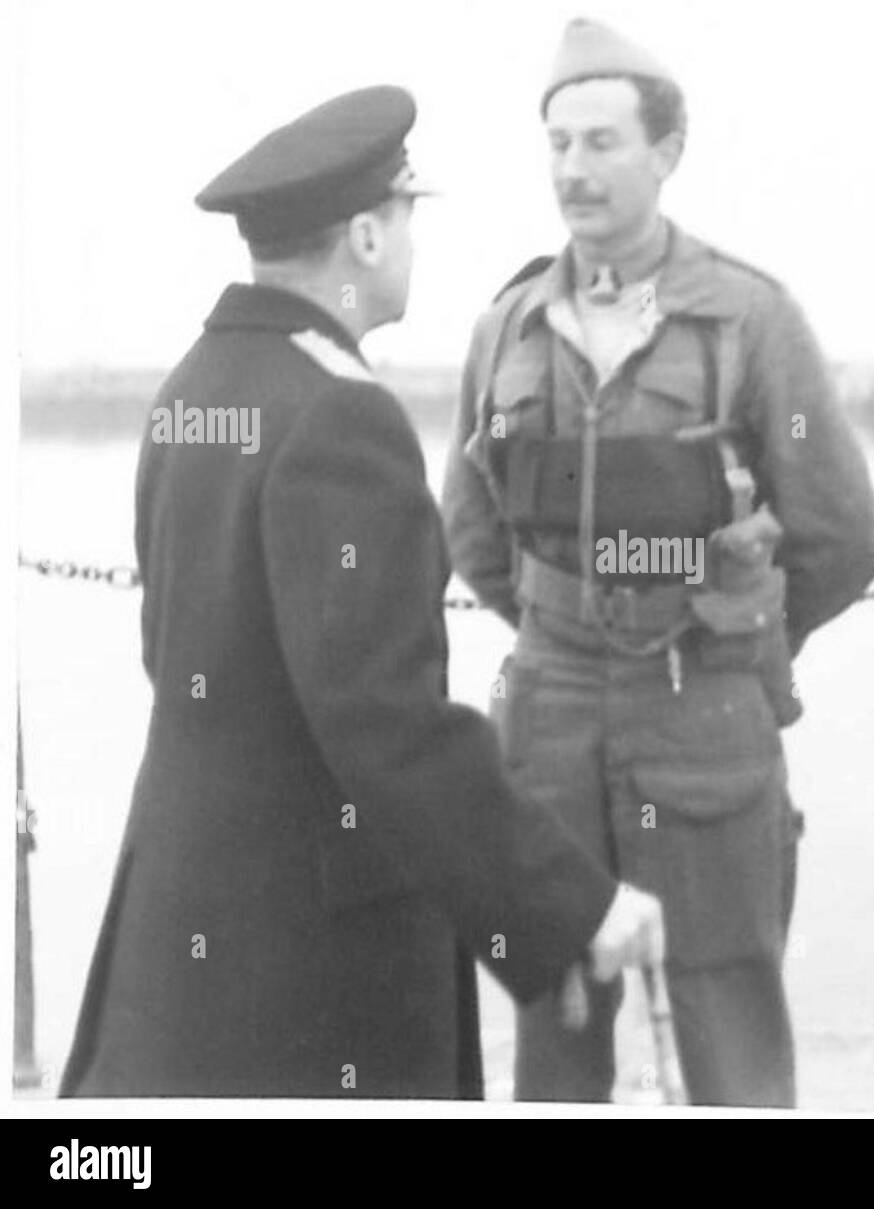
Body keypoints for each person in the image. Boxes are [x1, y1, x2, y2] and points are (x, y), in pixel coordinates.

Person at [59, 84, 663, 1099]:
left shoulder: (193, 392)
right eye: (406, 215)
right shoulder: (343, 422)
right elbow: (385, 723)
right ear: (367, 240)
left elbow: (181, 661)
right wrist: (572, 910)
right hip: (309, 966)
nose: (414, 243)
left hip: (184, 940)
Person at [442, 20, 874, 1106]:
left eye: (601, 143)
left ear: (667, 150)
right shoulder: (509, 328)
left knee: (727, 1006)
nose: (573, 172)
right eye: (557, 145)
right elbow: (472, 529)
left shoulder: (748, 321)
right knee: (556, 1013)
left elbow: (838, 533)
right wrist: (566, 628)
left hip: (705, 711)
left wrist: (730, 635)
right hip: (548, 714)